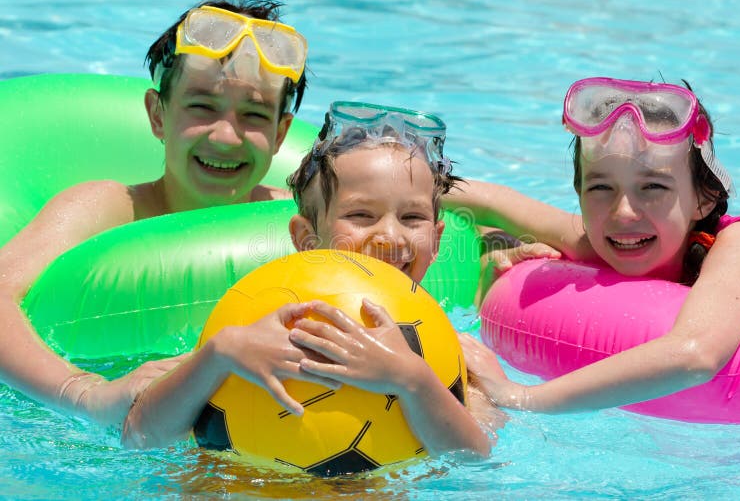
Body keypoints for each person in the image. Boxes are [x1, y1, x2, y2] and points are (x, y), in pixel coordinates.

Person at [122, 101, 504, 458]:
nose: (391, 236)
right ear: (306, 237)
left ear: (436, 240)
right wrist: (218, 355)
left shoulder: (445, 355)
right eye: (362, 216)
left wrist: (412, 380)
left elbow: (478, 459)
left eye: (412, 218)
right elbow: (139, 436)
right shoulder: (260, 324)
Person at [0, 0, 308, 427]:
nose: (225, 136)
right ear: (157, 114)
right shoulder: (107, 209)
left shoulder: (297, 219)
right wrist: (87, 392)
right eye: (201, 107)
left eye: (254, 115)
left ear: (281, 136)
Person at [450, 77, 740, 414]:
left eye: (653, 188)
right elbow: (497, 204)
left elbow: (697, 355)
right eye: (601, 189)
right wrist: (494, 254)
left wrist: (522, 396)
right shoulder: (604, 240)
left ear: (704, 200)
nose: (624, 212)